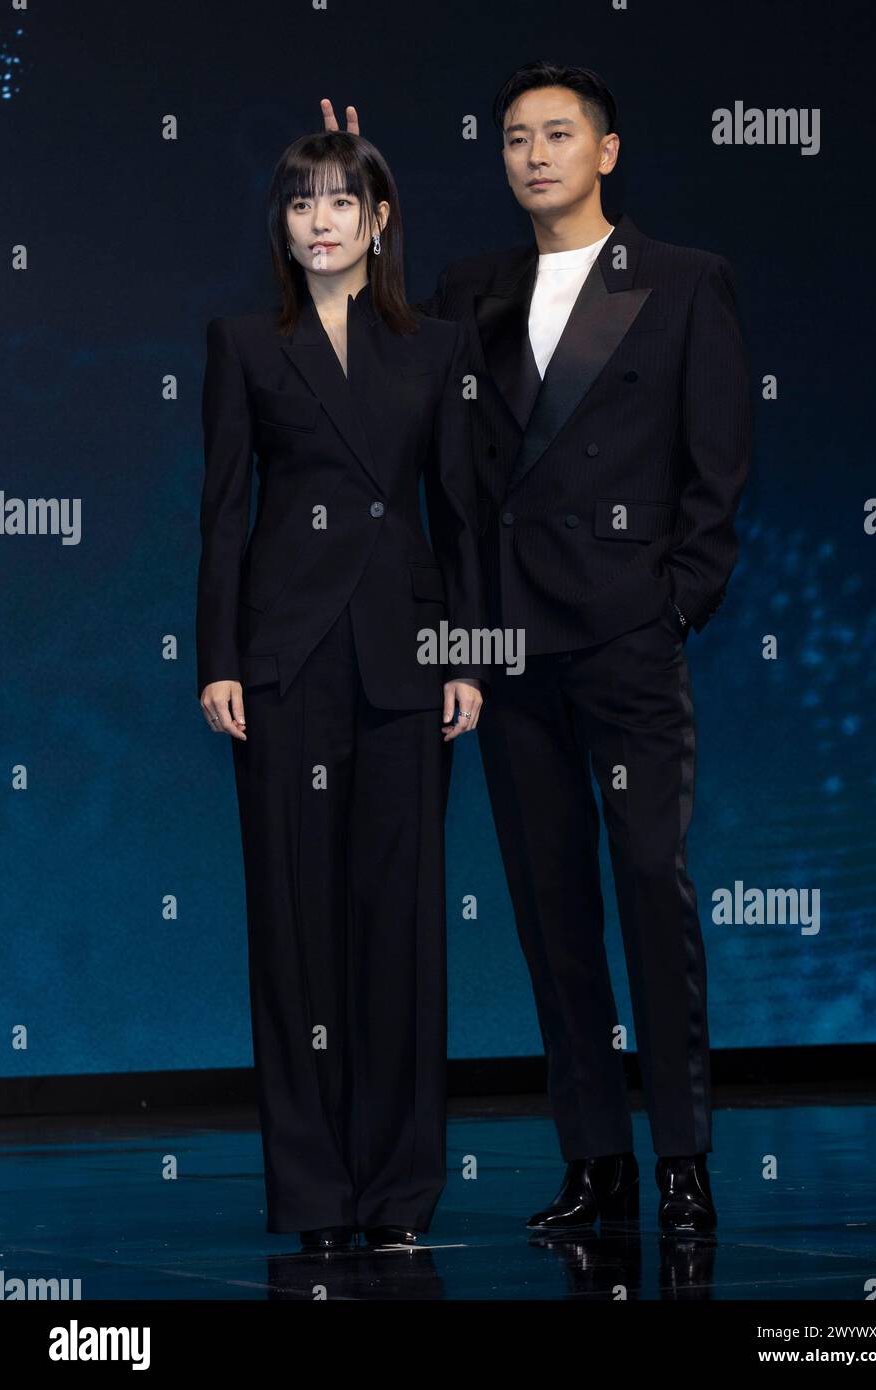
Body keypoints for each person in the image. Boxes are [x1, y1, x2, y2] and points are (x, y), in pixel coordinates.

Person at [322, 58, 751, 1235]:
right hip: (504, 643)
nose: (534, 155)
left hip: (622, 636)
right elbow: (381, 352)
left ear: (604, 152)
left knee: (649, 891)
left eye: (557, 135)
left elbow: (715, 469)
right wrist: (354, 187)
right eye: (514, 138)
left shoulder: (677, 282)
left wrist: (673, 603)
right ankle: (594, 1160)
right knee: (547, 909)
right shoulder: (474, 286)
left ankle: (682, 1159)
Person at [195, 131, 487, 1251]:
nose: (320, 222)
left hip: (409, 663)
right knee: (293, 930)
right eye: (300, 205)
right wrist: (218, 655)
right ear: (280, 227)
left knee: (400, 930)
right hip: (281, 662)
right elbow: (222, 511)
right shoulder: (241, 343)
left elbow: (459, 512)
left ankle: (397, 1197)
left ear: (377, 222)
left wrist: (471, 652)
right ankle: (314, 1199)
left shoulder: (438, 346)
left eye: (341, 203)